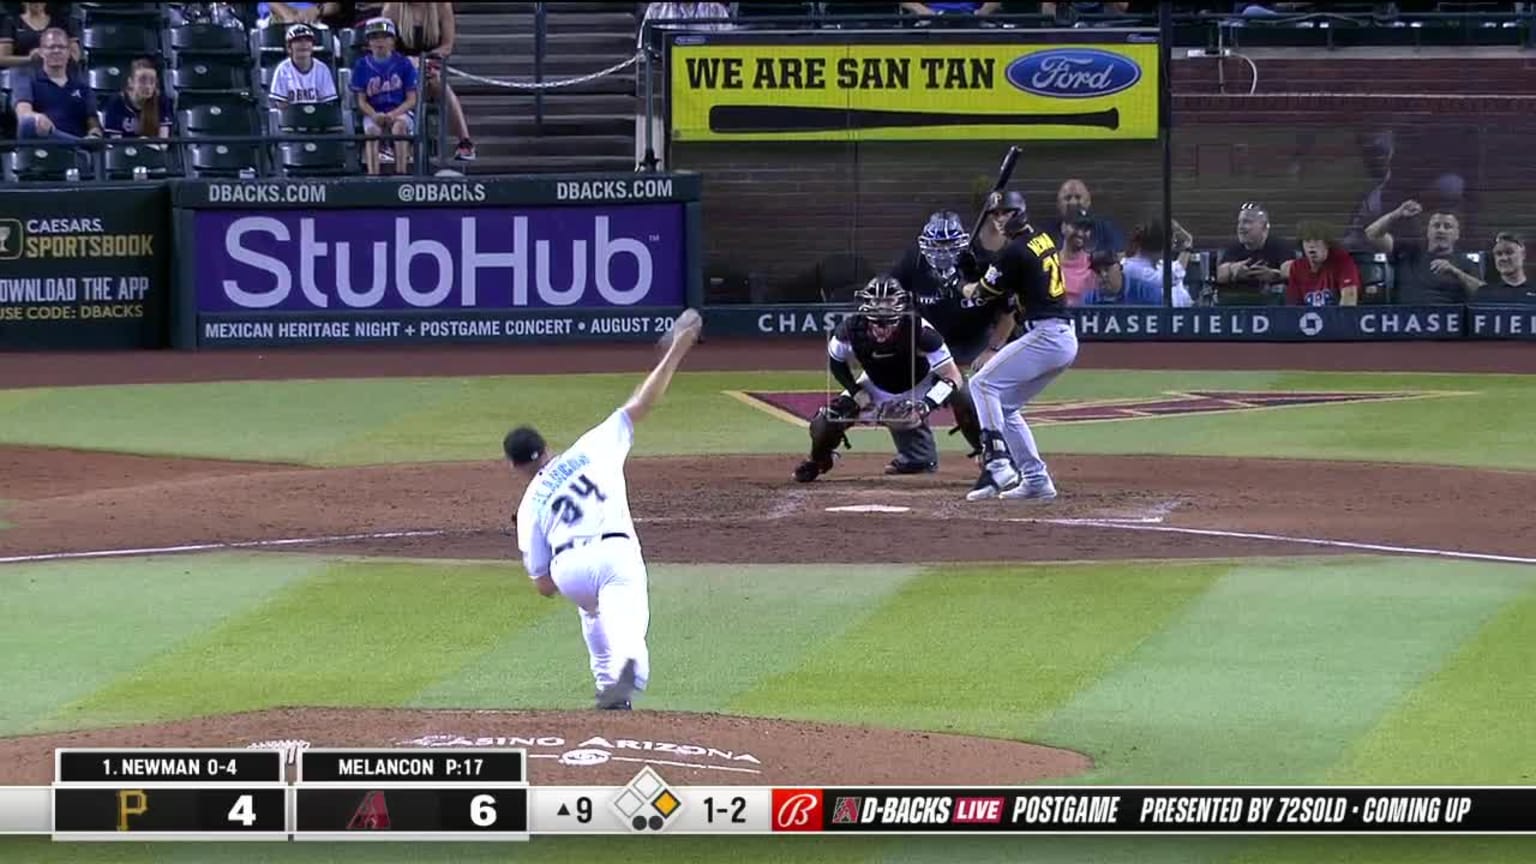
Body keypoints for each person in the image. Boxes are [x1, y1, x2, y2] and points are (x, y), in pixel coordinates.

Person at [509, 309, 704, 711]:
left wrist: (571, 580)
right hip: (615, 556)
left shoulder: (530, 502)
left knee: (593, 611)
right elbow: (641, 402)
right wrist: (676, 353)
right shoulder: (591, 446)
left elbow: (543, 586)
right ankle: (626, 676)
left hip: (570, 570)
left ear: (517, 467)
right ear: (547, 448)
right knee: (627, 632)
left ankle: (609, 698)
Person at [791, 277, 980, 483]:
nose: (882, 330)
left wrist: (925, 405)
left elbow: (951, 375)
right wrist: (855, 391)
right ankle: (818, 460)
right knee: (824, 422)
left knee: (965, 393)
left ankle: (988, 453)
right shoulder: (849, 330)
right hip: (876, 384)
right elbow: (836, 362)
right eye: (876, 324)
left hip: (922, 381)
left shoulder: (920, 330)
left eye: (889, 323)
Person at [960, 197, 1078, 502]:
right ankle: (1036, 479)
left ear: (1020, 212)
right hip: (1059, 337)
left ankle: (998, 463)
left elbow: (979, 297)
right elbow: (1013, 276)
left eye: (1006, 212)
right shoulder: (1040, 239)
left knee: (981, 383)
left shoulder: (1012, 251)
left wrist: (962, 281)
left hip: (1047, 335)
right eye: (996, 214)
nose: (1000, 218)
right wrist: (980, 270)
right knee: (1007, 407)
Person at [381, 2, 476, 161]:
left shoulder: (442, 6)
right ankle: (389, 143)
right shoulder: (392, 8)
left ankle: (465, 142)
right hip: (398, 70)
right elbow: (385, 47)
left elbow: (447, 46)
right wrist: (407, 63)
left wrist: (424, 60)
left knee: (438, 83)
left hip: (429, 66)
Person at [1364, 199, 1484, 304]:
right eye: (1436, 226)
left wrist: (1456, 272)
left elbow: (1482, 294)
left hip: (1447, 323)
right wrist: (1397, 214)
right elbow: (1372, 234)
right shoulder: (1408, 252)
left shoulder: (1464, 263)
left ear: (1457, 234)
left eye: (1447, 226)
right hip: (1406, 321)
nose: (1441, 231)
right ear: (1428, 231)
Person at [351, 17, 417, 175]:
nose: (379, 42)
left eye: (384, 37)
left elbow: (411, 99)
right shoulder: (361, 65)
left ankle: (401, 173)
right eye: (374, 38)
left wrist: (393, 114)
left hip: (400, 111)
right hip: (373, 112)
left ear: (393, 40)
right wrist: (374, 115)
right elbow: (361, 101)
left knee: (399, 127)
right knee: (372, 130)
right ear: (368, 42)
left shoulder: (404, 64)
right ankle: (373, 175)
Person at [11, 28, 102, 143]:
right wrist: (37, 117)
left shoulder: (82, 86)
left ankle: (77, 145)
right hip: (41, 145)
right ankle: (78, 144)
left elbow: (93, 122)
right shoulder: (27, 79)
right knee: (28, 124)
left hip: (75, 154)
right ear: (41, 52)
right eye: (51, 47)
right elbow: (23, 113)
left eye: (61, 47)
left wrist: (94, 132)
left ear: (69, 53)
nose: (56, 51)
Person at [1215, 202, 1293, 301]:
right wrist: (1233, 270)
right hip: (1238, 301)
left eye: (1247, 222)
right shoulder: (1233, 246)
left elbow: (1292, 271)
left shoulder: (1280, 246)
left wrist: (1274, 275)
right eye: (1240, 222)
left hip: (1271, 303)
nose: (1241, 227)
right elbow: (1219, 274)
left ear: (1264, 226)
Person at [1282, 221, 1360, 306]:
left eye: (1317, 240)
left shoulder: (1342, 260)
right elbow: (1293, 306)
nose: (1312, 245)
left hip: (1336, 317)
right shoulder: (1297, 267)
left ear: (1327, 243)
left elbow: (1349, 298)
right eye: (1307, 240)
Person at [100, 58, 172, 139]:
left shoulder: (161, 100)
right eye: (142, 81)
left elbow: (163, 142)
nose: (148, 86)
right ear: (130, 82)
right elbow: (115, 141)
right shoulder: (116, 102)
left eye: (152, 81)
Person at [269, 23, 339, 105]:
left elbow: (328, 103)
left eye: (308, 40)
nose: (304, 44)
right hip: (292, 116)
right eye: (298, 40)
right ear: (289, 47)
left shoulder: (322, 69)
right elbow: (280, 103)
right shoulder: (282, 70)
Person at [0, 2, 79, 68]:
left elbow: (75, 56)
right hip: (23, 73)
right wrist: (29, 59)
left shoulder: (61, 22)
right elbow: (2, 59)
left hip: (57, 73)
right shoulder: (11, 22)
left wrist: (52, 55)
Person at [1473, 233, 1536, 306]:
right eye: (1499, 254)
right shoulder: (1484, 294)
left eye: (1509, 252)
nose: (1504, 258)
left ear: (1523, 255)